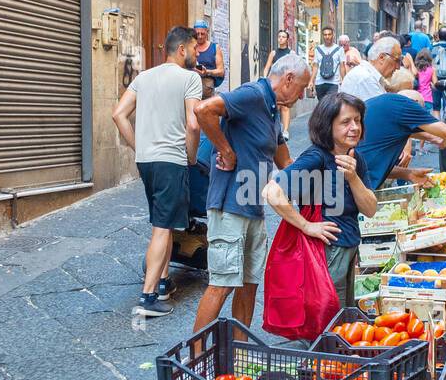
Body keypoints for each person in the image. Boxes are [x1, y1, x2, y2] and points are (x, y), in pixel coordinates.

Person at [193, 54, 313, 331]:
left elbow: (286, 164)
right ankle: (195, 360)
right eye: (302, 87)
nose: (302, 94)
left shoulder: (272, 112)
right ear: (288, 79)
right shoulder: (253, 94)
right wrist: (225, 150)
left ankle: (240, 353)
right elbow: (203, 110)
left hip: (253, 208)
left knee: (248, 285)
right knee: (222, 285)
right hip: (229, 206)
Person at [112, 25, 203, 318]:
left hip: (147, 161)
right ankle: (148, 297)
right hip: (171, 160)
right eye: (193, 48)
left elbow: (118, 114)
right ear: (181, 50)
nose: (196, 53)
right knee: (162, 227)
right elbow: (193, 123)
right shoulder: (190, 78)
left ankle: (163, 283)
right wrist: (191, 155)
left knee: (162, 221)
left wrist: (138, 147)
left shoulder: (143, 77)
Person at [263, 92, 377, 310]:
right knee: (330, 317)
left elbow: (370, 209)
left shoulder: (354, 157)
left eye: (357, 120)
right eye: (345, 122)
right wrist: (307, 226)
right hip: (329, 251)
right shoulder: (316, 157)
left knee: (341, 316)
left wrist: (353, 177)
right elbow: (271, 192)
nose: (354, 127)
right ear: (328, 126)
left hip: (348, 246)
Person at [356, 86, 446, 190]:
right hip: (352, 189)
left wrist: (409, 173)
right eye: (420, 111)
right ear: (413, 105)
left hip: (351, 183)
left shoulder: (381, 108)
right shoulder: (403, 105)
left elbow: (370, 166)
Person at [339, 34, 401, 100]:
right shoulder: (366, 78)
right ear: (381, 57)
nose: (398, 67)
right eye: (396, 60)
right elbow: (380, 108)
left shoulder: (368, 75)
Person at [263, 29, 293, 136]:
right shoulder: (273, 53)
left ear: (287, 39)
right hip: (275, 83)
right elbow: (267, 67)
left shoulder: (291, 53)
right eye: (279, 36)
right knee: (275, 106)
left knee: (285, 106)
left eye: (283, 37)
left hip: (286, 83)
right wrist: (265, 78)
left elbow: (294, 69)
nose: (281, 38)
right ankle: (275, 129)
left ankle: (285, 131)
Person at [312, 26, 344, 104]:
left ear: (333, 35)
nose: (327, 37)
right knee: (322, 105)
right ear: (322, 36)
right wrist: (311, 81)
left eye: (329, 34)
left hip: (334, 83)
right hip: (320, 82)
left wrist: (343, 80)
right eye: (325, 35)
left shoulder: (339, 49)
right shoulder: (317, 49)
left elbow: (342, 65)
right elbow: (315, 66)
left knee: (331, 104)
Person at [193, 19, 225, 90]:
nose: (200, 36)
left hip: (207, 86)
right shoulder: (190, 47)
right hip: (192, 84)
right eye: (197, 34)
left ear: (207, 32)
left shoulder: (214, 48)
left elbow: (221, 71)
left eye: (202, 34)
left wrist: (207, 72)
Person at [414, 48, 435, 113]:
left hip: (416, 98)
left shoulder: (415, 70)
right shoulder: (432, 70)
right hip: (427, 98)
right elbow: (435, 85)